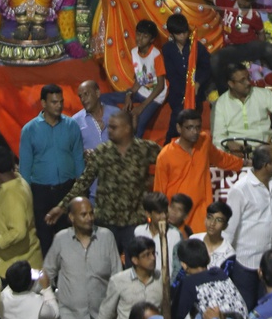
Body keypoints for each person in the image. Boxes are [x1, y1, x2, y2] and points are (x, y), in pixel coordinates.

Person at [45, 108, 160, 263]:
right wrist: (62, 206)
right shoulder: (102, 152)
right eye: (109, 126)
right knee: (103, 265)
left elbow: (168, 163)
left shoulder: (145, 149)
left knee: (134, 266)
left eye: (114, 127)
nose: (109, 130)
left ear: (127, 129)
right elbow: (83, 182)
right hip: (106, 223)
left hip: (134, 223)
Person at [43, 196, 121, 319]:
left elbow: (117, 277)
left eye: (91, 213)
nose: (89, 218)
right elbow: (47, 273)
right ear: (71, 217)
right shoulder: (60, 239)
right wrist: (47, 299)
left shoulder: (107, 237)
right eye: (83, 214)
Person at [19, 84, 86, 254]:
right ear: (43, 103)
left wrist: (81, 192)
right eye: (54, 102)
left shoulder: (71, 126)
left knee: (71, 237)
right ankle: (50, 278)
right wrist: (26, 199)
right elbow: (25, 169)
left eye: (61, 102)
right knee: (45, 239)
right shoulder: (29, 130)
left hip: (67, 190)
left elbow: (78, 159)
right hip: (41, 193)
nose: (59, 106)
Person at [152, 108, 242, 232]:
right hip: (177, 218)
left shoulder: (204, 142)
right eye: (189, 128)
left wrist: (243, 163)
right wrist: (157, 223)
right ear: (179, 128)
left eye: (198, 127)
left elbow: (221, 158)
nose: (195, 131)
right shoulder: (165, 155)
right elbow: (159, 191)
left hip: (201, 214)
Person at [224, 143, 272, 310]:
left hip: (266, 263)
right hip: (244, 264)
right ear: (266, 165)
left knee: (266, 309)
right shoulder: (240, 189)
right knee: (244, 309)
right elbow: (229, 230)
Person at [89, 237, 162, 319]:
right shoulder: (118, 281)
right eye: (146, 255)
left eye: (154, 253)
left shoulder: (162, 279)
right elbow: (105, 314)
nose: (152, 258)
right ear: (135, 260)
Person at [0, 146, 41, 276]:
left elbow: (18, 231)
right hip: (17, 259)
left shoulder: (11, 194)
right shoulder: (19, 180)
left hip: (14, 266)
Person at [211, 62, 272, 155]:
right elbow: (217, 136)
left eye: (248, 78)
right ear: (231, 84)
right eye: (242, 80)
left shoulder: (263, 94)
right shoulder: (221, 103)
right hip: (234, 155)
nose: (248, 82)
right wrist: (228, 144)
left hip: (263, 153)